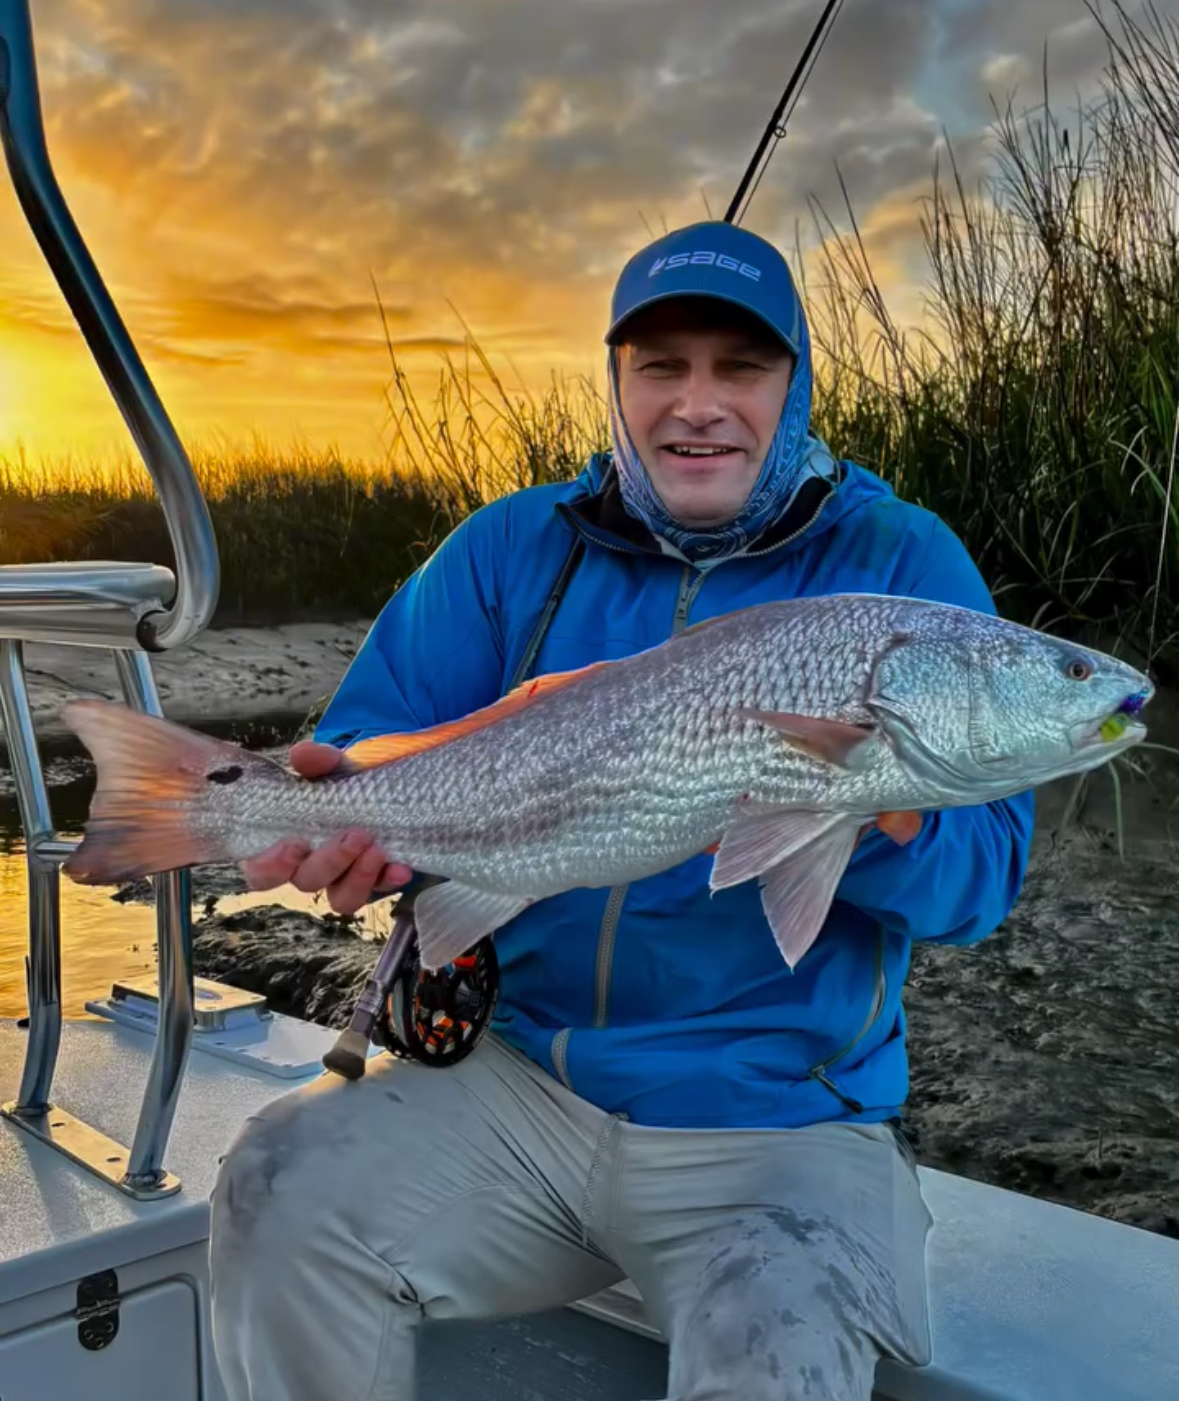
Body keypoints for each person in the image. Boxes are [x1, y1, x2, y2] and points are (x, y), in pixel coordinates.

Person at [208, 220, 1034, 1401]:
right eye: (662, 366)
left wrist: (866, 799)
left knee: (780, 1332)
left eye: (740, 368)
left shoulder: (903, 561)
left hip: (781, 1118)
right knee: (276, 1178)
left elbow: (983, 884)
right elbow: (367, 745)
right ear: (616, 384)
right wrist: (352, 819)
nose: (699, 404)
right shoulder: (507, 548)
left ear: (796, 385)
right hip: (519, 1079)